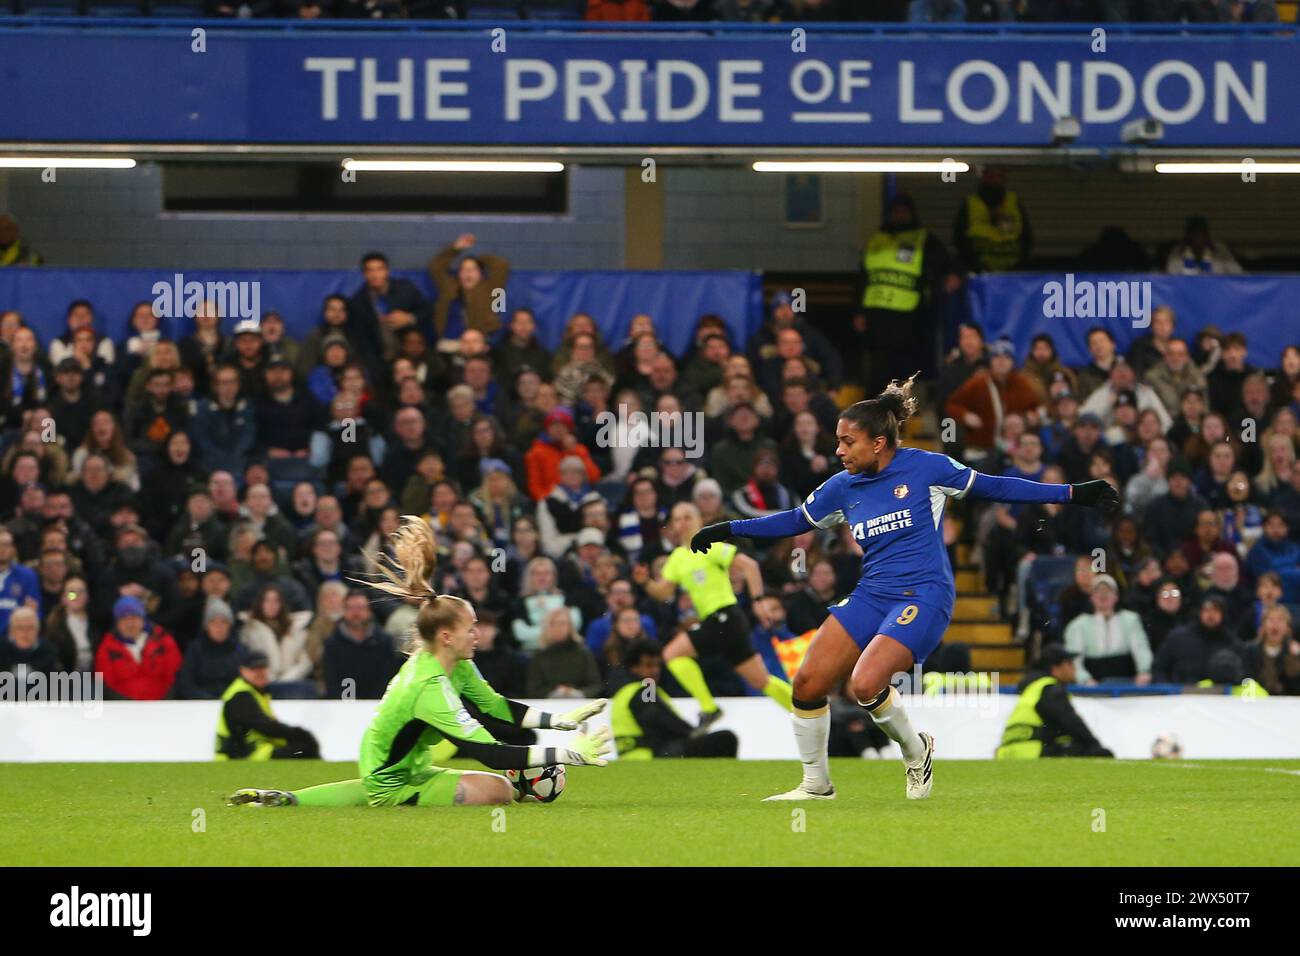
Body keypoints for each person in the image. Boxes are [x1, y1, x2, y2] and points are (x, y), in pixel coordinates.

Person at [688, 375, 1118, 801]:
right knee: (806, 684)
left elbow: (996, 486)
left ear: (878, 442)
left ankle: (916, 752)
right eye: (837, 441)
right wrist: (729, 528)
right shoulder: (843, 486)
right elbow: (796, 520)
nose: (838, 450)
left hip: (924, 593)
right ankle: (816, 785)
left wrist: (1071, 493)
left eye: (847, 441)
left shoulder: (927, 468)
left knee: (865, 683)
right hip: (872, 593)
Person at [229, 518, 613, 809]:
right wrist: (569, 753)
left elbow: (495, 706)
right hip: (391, 778)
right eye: (472, 627)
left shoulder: (451, 661)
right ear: (447, 635)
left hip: (404, 764)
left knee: (495, 784)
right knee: (498, 790)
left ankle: (289, 800)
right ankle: (348, 799)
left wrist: (558, 721)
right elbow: (491, 752)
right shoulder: (429, 686)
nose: (478, 634)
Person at [643, 502, 794, 724]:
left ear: (699, 521)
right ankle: (807, 711)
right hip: (725, 623)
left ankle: (709, 707)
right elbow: (663, 592)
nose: (682, 523)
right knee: (760, 681)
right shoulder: (676, 557)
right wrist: (644, 581)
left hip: (724, 616)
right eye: (677, 519)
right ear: (673, 525)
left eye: (687, 517)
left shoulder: (708, 546)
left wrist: (758, 601)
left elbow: (749, 566)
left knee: (672, 654)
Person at [853, 194, 959, 393]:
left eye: (903, 212)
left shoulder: (923, 238)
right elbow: (862, 278)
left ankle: (899, 416)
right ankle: (875, 413)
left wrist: (953, 274)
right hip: (876, 315)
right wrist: (858, 311)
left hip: (907, 316)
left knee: (902, 367)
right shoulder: (876, 239)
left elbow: (947, 261)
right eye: (895, 212)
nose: (899, 216)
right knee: (876, 369)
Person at [610, 638, 739, 759]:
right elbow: (658, 719)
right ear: (634, 667)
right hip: (651, 753)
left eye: (657, 665)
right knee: (726, 739)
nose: (655, 670)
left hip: (632, 754)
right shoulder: (646, 688)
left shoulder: (625, 692)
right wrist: (691, 733)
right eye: (649, 665)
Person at [994, 645, 1114, 758]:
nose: (1074, 668)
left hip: (1008, 751)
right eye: (1069, 663)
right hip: (1033, 750)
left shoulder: (1033, 688)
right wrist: (1095, 746)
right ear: (1055, 669)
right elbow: (1071, 722)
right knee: (1088, 751)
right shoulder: (1050, 688)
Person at [215, 651, 320, 760]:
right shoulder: (240, 695)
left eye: (263, 668)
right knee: (305, 747)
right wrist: (298, 733)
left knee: (303, 745)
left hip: (253, 751)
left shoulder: (256, 692)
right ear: (242, 671)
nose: (260, 673)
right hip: (241, 756)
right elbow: (265, 726)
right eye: (254, 669)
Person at [1061, 574, 1153, 685]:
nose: (1103, 595)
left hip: (1127, 682)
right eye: (1098, 591)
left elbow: (1141, 649)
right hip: (1091, 684)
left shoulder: (1131, 620)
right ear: (1091, 597)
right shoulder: (1077, 625)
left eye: (1108, 591)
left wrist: (1144, 672)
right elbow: (1074, 659)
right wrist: (1085, 680)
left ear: (1116, 596)